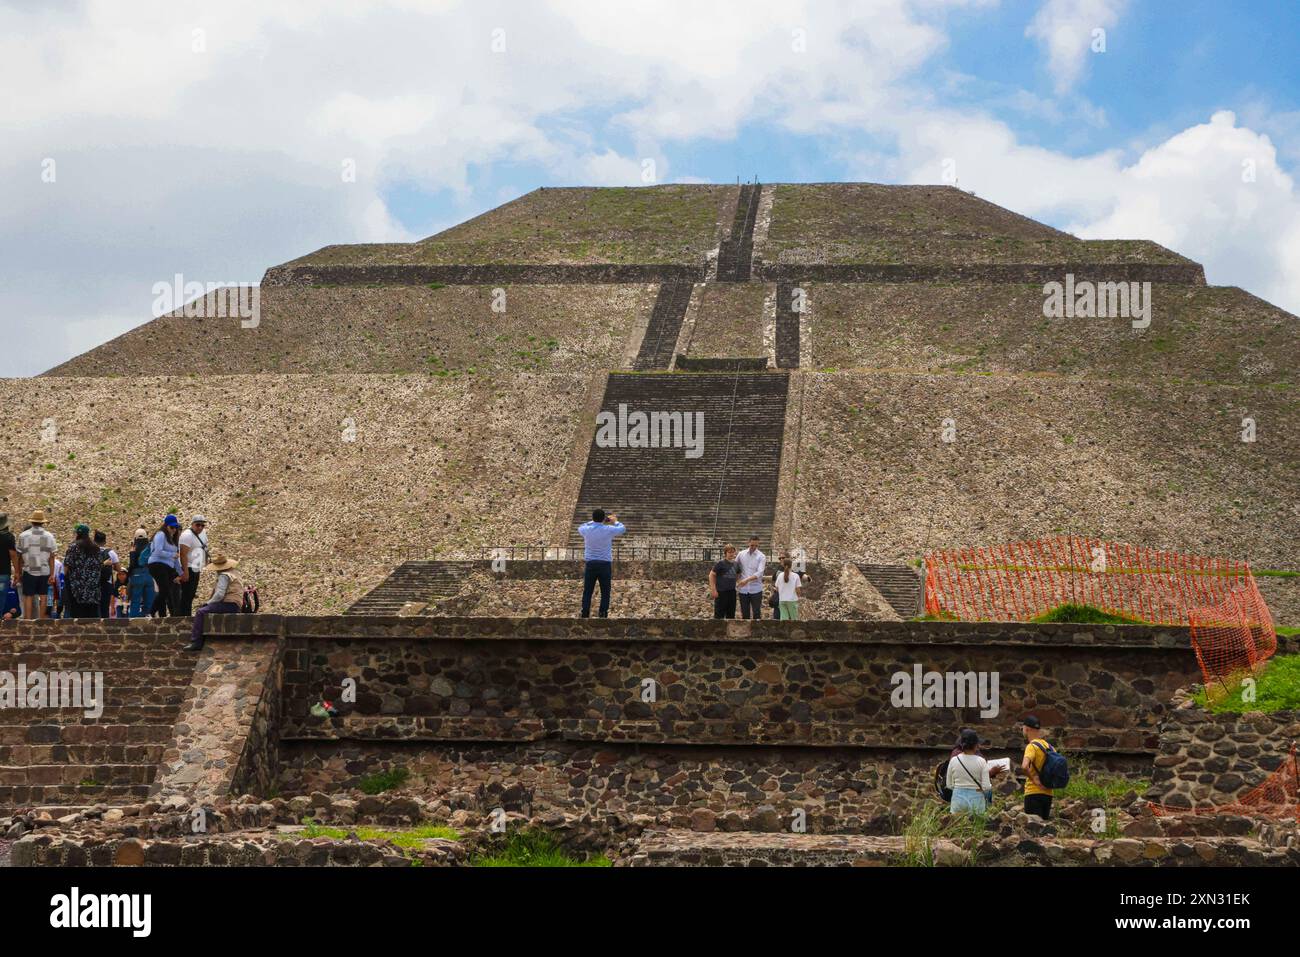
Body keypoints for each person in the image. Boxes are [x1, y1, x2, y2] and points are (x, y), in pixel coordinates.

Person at [185, 553, 243, 651]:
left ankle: (196, 641)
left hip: (228, 603)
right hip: (236, 604)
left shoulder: (224, 576)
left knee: (201, 612)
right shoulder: (235, 573)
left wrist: (209, 603)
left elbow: (220, 594)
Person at [577, 509, 625, 618]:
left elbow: (580, 527)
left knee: (588, 590)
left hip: (591, 564)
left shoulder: (586, 530)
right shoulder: (608, 529)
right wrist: (615, 521)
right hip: (604, 564)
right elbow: (622, 529)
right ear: (604, 518)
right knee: (605, 591)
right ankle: (603, 613)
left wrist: (592, 521)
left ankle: (585, 612)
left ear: (593, 518)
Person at [16, 509, 56, 621]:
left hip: (29, 569)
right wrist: (52, 573)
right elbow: (52, 556)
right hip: (44, 569)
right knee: (43, 595)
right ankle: (41, 620)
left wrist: (18, 572)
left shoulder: (23, 536)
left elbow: (19, 556)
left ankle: (28, 620)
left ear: (32, 522)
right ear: (43, 522)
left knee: (28, 596)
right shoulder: (49, 536)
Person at [947, 728, 993, 815]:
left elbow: (949, 785)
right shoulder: (981, 761)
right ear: (976, 745)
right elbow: (986, 787)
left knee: (958, 827)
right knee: (976, 827)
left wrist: (959, 788)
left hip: (958, 800)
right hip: (976, 800)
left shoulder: (954, 760)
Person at [1020, 714, 1056, 820]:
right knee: (1043, 829)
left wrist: (1034, 779)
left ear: (1026, 729)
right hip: (1048, 794)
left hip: (1033, 793)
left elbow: (1024, 766)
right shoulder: (1050, 748)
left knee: (1033, 830)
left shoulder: (1032, 746)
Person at [62, 524, 102, 619]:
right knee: (92, 615)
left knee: (78, 614)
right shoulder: (96, 548)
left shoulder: (73, 548)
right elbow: (100, 565)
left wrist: (63, 579)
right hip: (92, 587)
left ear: (77, 534)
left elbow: (67, 566)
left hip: (77, 587)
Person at [148, 515, 182, 617]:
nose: (174, 530)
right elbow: (158, 551)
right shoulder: (160, 534)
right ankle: (151, 612)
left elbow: (176, 560)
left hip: (168, 568)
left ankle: (171, 615)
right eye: (171, 527)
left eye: (175, 527)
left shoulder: (173, 541)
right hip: (157, 564)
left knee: (167, 592)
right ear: (166, 526)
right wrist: (171, 554)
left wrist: (181, 574)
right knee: (165, 590)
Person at [178, 514, 209, 615]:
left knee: (191, 595)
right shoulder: (187, 535)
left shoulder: (203, 533)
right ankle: (184, 616)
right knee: (186, 595)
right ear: (192, 524)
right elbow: (183, 554)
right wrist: (185, 572)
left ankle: (187, 615)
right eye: (197, 525)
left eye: (202, 525)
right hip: (189, 567)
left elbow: (204, 547)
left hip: (196, 567)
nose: (200, 527)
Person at [735, 536, 766, 620]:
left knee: (756, 613)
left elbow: (759, 573)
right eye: (752, 545)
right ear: (748, 543)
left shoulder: (761, 556)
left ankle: (756, 632)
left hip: (756, 589)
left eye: (756, 546)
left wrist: (746, 580)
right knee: (745, 614)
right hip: (743, 589)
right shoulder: (741, 554)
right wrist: (737, 580)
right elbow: (735, 567)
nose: (754, 547)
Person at [127, 528, 155, 617]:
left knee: (135, 601)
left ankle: (134, 620)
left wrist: (129, 574)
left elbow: (132, 564)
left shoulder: (134, 548)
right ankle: (148, 617)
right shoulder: (149, 547)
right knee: (149, 600)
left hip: (137, 575)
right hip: (149, 574)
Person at [93, 530, 119, 618]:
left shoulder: (89, 552)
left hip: (93, 583)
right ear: (104, 541)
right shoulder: (110, 552)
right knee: (104, 608)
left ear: (94, 540)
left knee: (94, 608)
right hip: (106, 584)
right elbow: (118, 568)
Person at [709, 545, 739, 619]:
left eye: (733, 552)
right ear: (725, 553)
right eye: (729, 552)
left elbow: (738, 574)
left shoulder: (736, 564)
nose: (731, 554)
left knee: (731, 615)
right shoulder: (720, 563)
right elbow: (711, 575)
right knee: (719, 615)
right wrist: (713, 590)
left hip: (732, 592)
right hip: (721, 592)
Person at [0, 513, 18, 608]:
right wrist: (17, 572)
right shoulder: (9, 537)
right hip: (3, 573)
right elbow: (13, 555)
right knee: (1, 598)